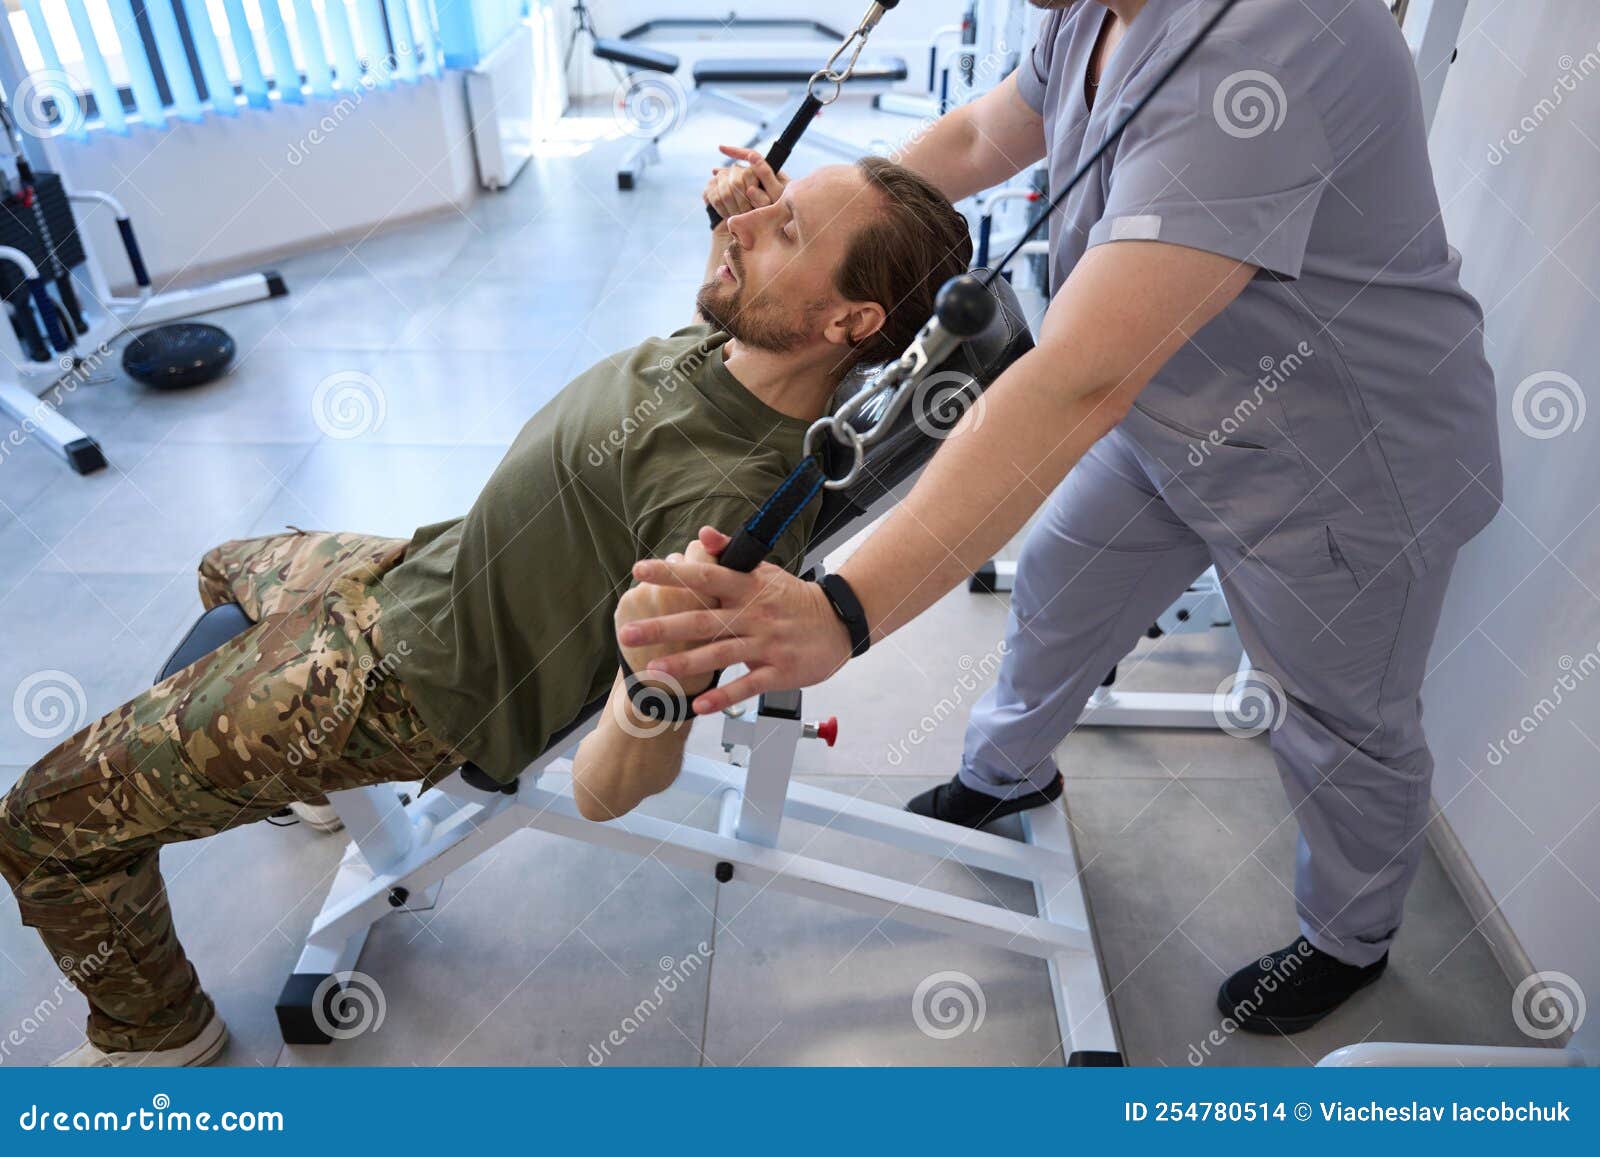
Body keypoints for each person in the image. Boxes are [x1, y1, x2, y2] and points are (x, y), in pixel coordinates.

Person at [619, 0, 1503, 1035]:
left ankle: (1350, 936)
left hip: (1337, 464)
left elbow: (1075, 383)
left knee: (1338, 726)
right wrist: (820, 232)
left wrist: (841, 611)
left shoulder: (1269, 47)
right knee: (1060, 580)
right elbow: (983, 134)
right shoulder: (1096, 11)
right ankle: (1007, 771)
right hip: (1182, 408)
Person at [0, 156, 974, 1066]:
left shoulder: (724, 511)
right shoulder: (743, 339)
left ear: (848, 322)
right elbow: (744, 274)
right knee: (227, 564)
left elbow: (608, 789)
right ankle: (311, 791)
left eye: (785, 228)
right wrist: (741, 237)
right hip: (410, 568)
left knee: (40, 824)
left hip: (389, 684)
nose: (746, 217)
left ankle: (159, 1036)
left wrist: (647, 687)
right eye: (767, 199)